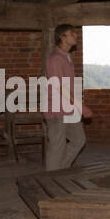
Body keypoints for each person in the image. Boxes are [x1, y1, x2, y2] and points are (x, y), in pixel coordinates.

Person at [43, 23, 92, 170]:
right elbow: (59, 86)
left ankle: (60, 171)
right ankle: (50, 181)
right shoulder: (56, 59)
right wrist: (81, 106)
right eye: (72, 33)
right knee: (57, 147)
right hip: (57, 109)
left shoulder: (66, 57)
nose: (76, 36)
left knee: (78, 140)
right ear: (62, 37)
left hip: (69, 109)